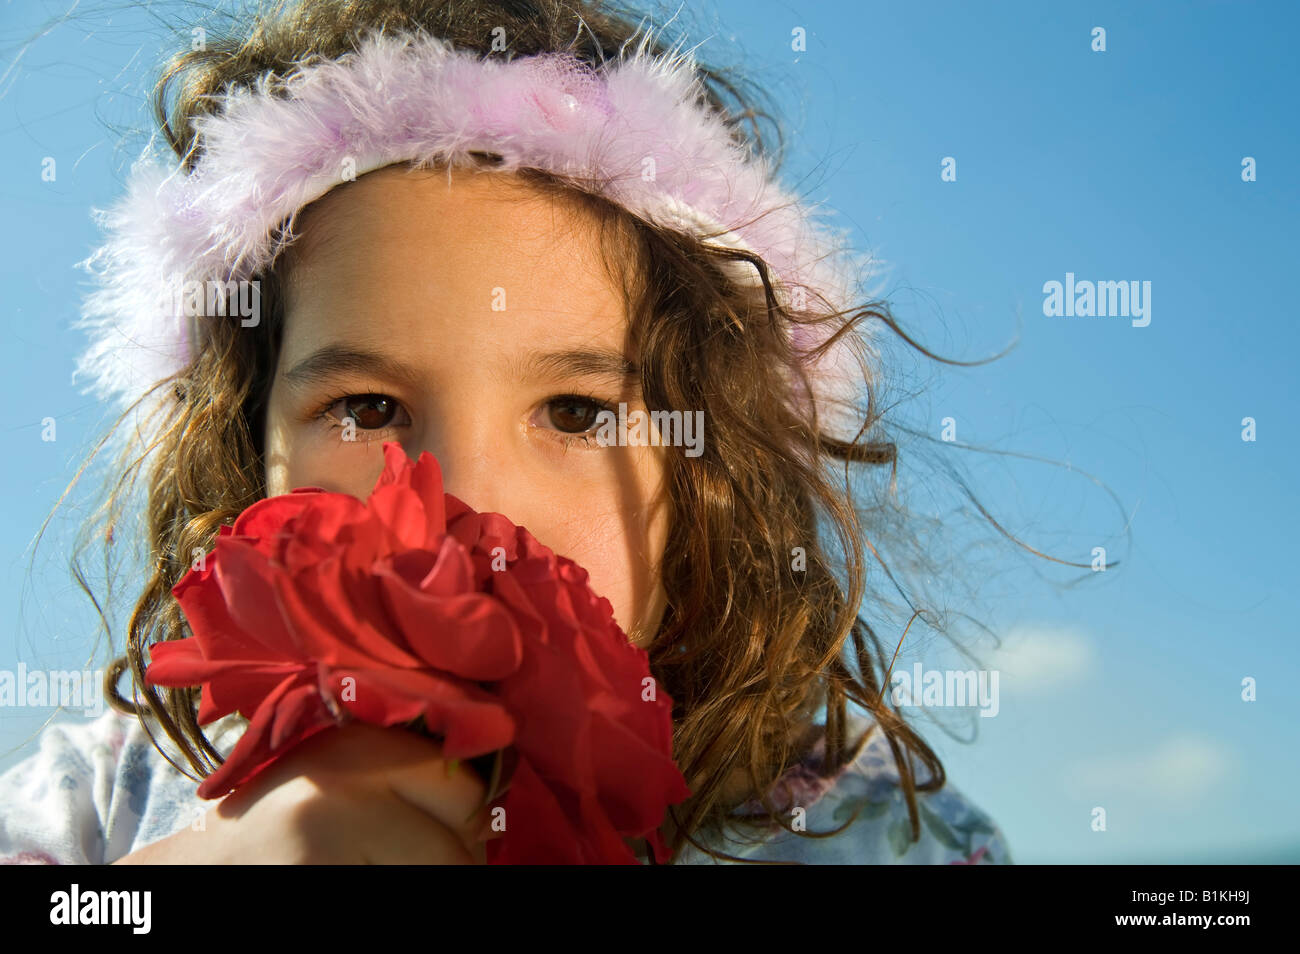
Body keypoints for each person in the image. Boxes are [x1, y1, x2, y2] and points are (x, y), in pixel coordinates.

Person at [0, 0, 1011, 865]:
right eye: (364, 409)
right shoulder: (116, 804)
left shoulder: (853, 826)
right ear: (243, 448)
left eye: (576, 413)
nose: (468, 498)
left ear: (708, 478)